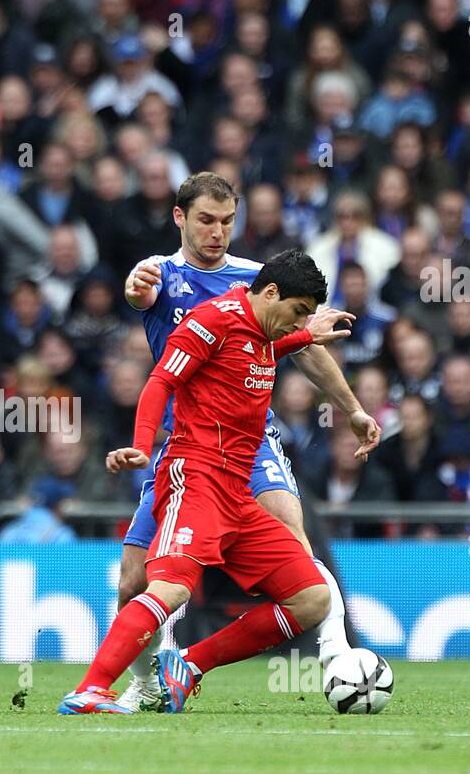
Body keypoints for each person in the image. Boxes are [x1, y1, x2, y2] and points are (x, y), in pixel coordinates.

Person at [110, 172, 381, 713]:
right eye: (206, 221)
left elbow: (305, 348)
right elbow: (136, 291)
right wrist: (134, 288)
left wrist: (351, 408)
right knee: (133, 582)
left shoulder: (260, 280)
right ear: (180, 218)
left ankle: (337, 653)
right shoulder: (160, 276)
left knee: (292, 536)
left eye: (228, 222)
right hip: (184, 444)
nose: (218, 233)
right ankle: (149, 680)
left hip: (251, 439)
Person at [59, 250, 354, 714]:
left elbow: (257, 350)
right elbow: (160, 381)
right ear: (272, 293)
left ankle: (188, 666)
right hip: (196, 476)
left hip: (237, 492)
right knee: (166, 587)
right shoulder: (211, 318)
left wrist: (304, 334)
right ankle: (92, 688)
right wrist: (140, 443)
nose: (297, 322)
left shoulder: (259, 331)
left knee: (312, 597)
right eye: (298, 311)